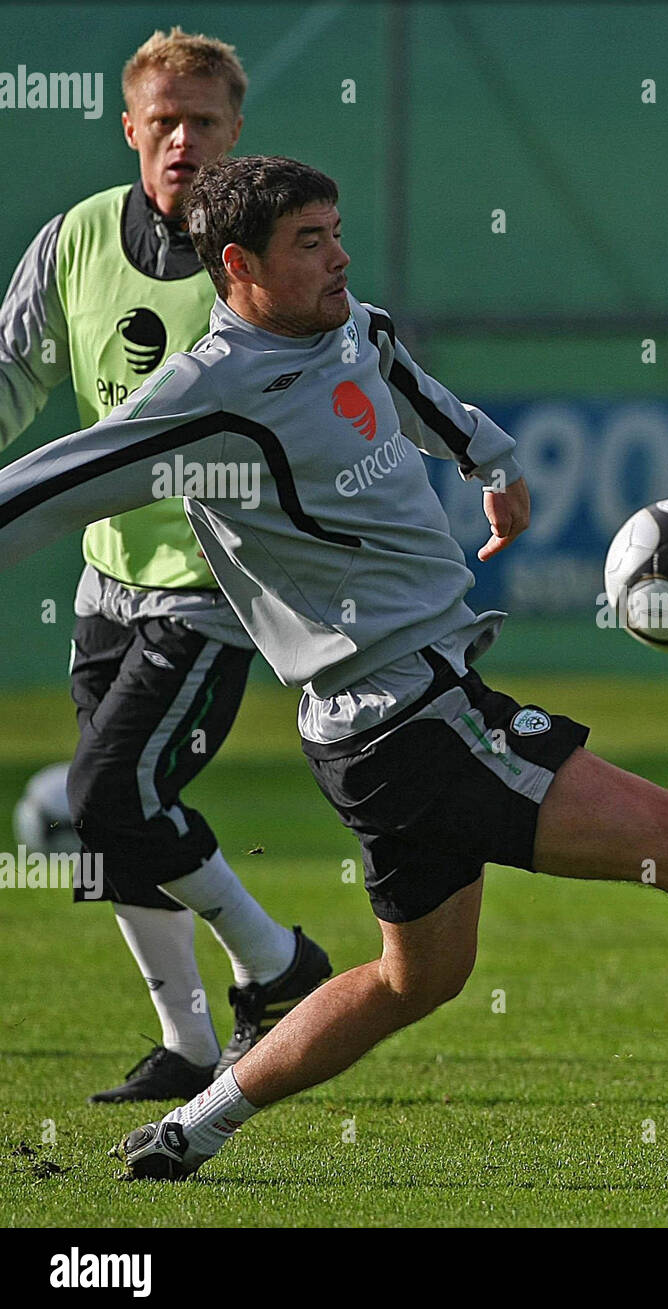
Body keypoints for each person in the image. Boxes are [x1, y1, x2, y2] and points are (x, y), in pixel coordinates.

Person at [0, 155, 668, 1178]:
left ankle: (191, 1127)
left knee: (415, 981)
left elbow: (397, 374)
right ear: (236, 265)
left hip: (384, 726)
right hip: (410, 718)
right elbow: (45, 484)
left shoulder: (350, 323)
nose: (339, 254)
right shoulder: (208, 402)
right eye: (310, 242)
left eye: (337, 229)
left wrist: (496, 464)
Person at [0, 29, 329, 1104]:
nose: (185, 139)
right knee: (113, 823)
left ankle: (278, 963)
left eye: (206, 122)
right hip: (107, 580)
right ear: (131, 129)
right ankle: (187, 1045)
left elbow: (344, 375)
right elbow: (15, 371)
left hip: (218, 587)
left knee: (108, 794)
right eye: (165, 120)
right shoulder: (76, 240)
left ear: (238, 133)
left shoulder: (262, 255)